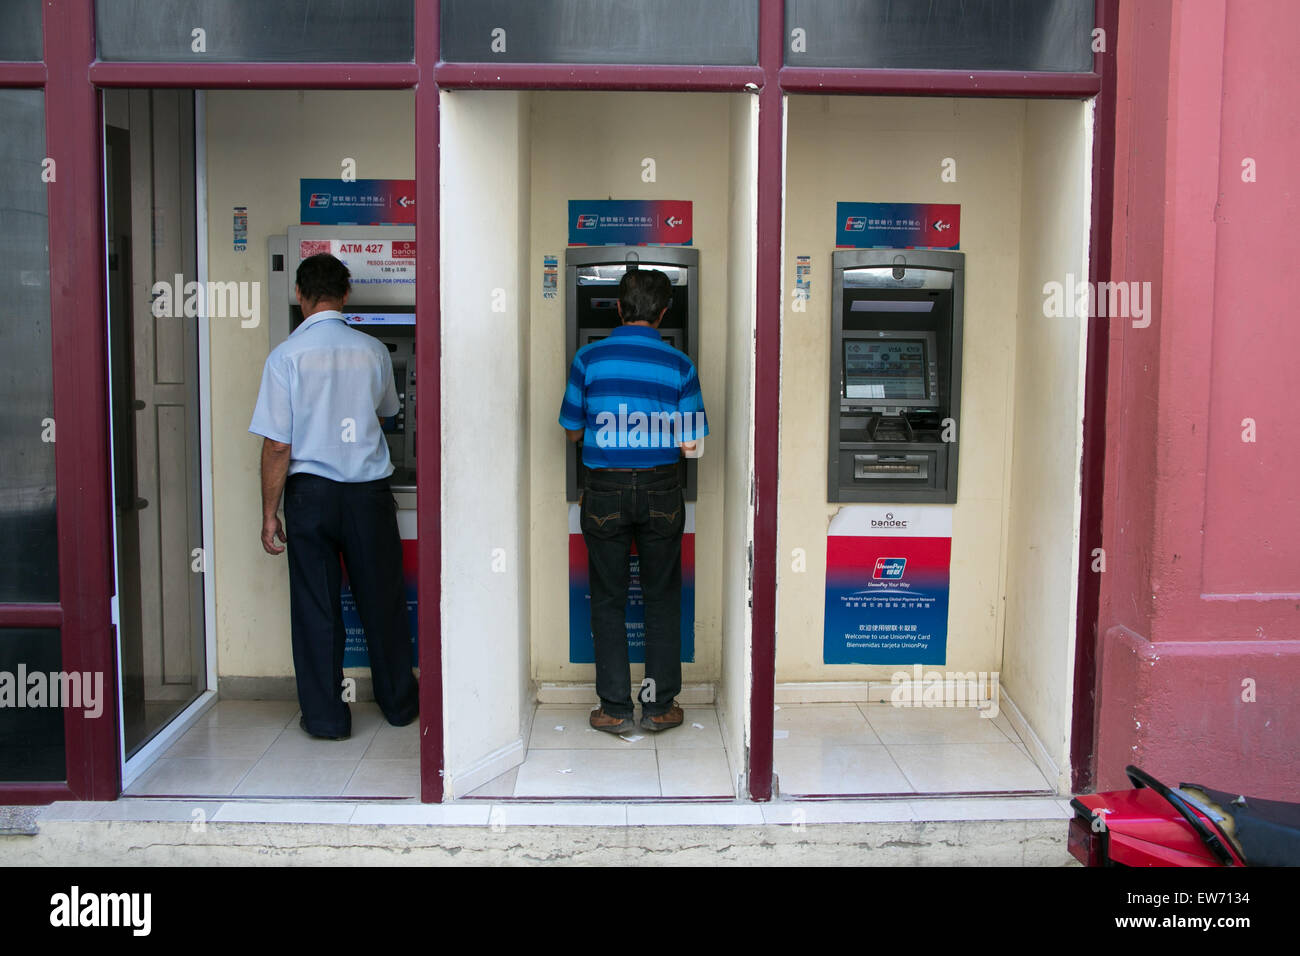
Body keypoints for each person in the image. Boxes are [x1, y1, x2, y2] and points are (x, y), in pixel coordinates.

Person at [249, 253, 418, 740]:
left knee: (315, 609)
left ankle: (326, 719)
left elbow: (278, 444)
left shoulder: (285, 356)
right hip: (367, 495)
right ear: (345, 295)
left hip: (311, 497)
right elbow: (388, 412)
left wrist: (269, 512)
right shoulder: (374, 350)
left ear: (301, 297)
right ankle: (400, 706)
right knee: (382, 601)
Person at [558, 267, 708, 735]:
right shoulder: (679, 365)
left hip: (604, 490)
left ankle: (615, 709)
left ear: (619, 308)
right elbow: (692, 443)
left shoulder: (588, 358)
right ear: (664, 312)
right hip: (663, 488)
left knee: (607, 598)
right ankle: (661, 707)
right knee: (663, 597)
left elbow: (572, 429)